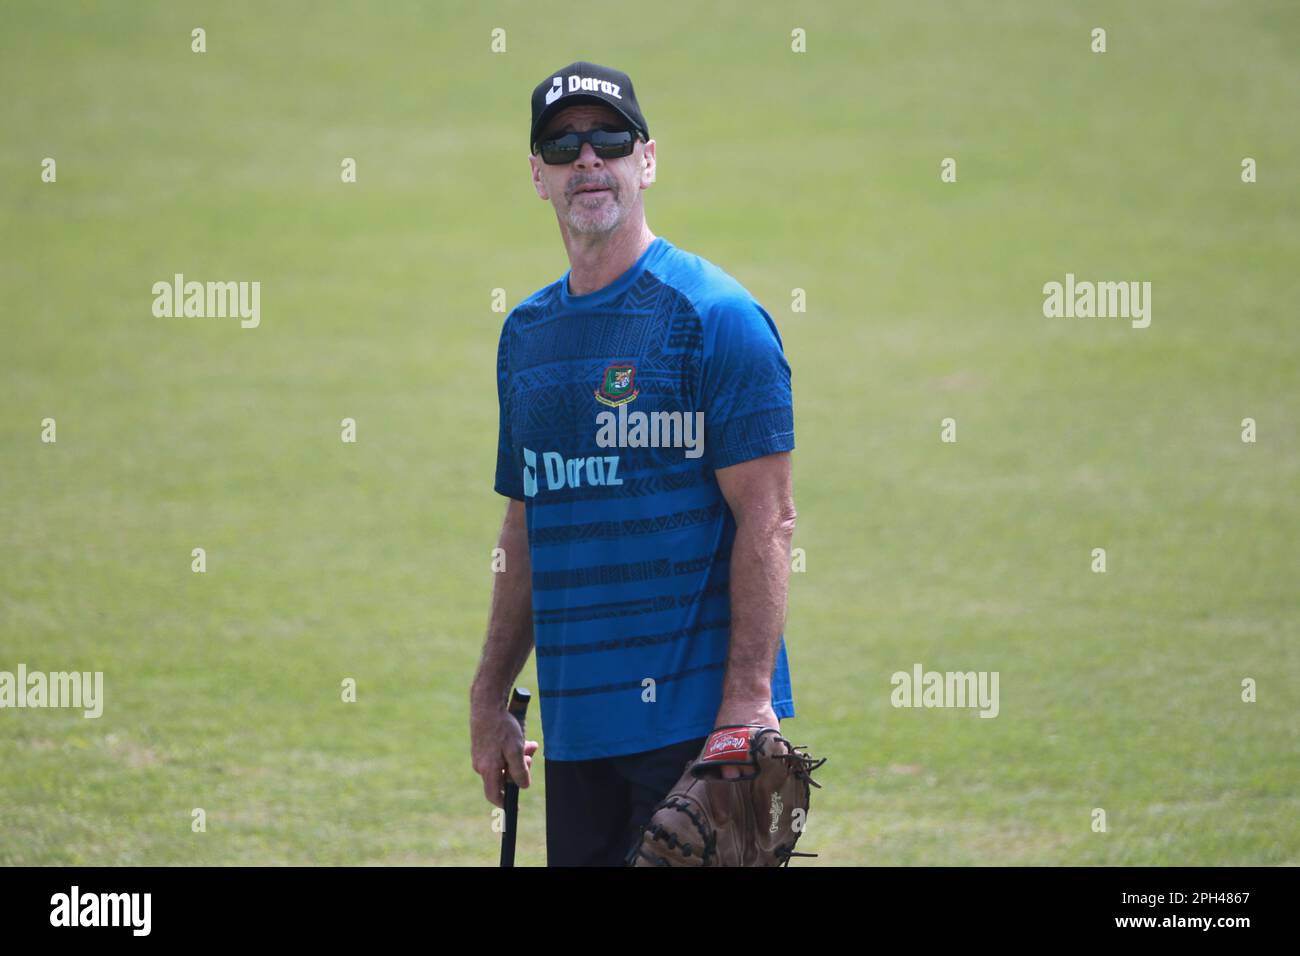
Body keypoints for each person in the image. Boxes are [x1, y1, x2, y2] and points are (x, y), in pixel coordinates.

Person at [469, 60, 798, 866]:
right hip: (578, 731)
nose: (588, 159)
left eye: (609, 139)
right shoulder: (526, 337)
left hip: (693, 733)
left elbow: (768, 515)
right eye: (563, 144)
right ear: (537, 176)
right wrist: (489, 699)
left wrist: (747, 707)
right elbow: (527, 522)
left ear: (646, 160)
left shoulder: (716, 318)